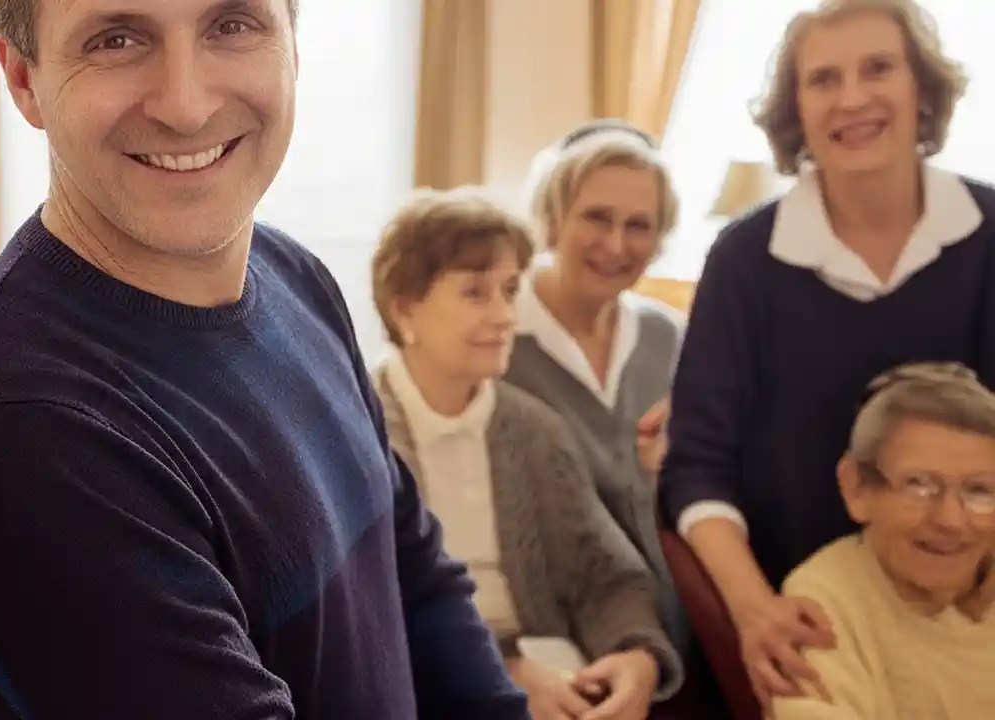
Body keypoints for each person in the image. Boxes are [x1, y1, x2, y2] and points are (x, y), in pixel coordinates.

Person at [0, 1, 530, 718]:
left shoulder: (294, 274)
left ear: (292, 47)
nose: (186, 105)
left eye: (232, 25)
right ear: (23, 79)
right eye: (116, 39)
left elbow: (413, 566)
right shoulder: (26, 430)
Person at [658, 0, 995, 712]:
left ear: (922, 89)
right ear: (796, 111)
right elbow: (696, 466)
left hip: (973, 600)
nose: (853, 98)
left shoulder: (992, 236)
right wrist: (753, 610)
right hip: (800, 613)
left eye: (878, 68)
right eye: (823, 79)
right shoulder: (745, 262)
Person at [369, 187, 684, 720]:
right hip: (418, 683)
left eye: (510, 291)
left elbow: (607, 576)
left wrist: (638, 654)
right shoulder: (356, 430)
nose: (504, 315)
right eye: (474, 293)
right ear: (405, 309)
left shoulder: (536, 431)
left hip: (551, 676)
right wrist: (497, 669)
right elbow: (371, 609)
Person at [505, 120, 688, 654]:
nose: (615, 244)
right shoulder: (498, 331)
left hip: (663, 615)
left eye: (639, 226)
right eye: (597, 218)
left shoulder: (668, 337)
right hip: (545, 622)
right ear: (554, 217)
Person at [773, 363, 995, 719]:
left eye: (979, 491)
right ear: (857, 487)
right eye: (919, 485)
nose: (951, 520)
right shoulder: (821, 605)